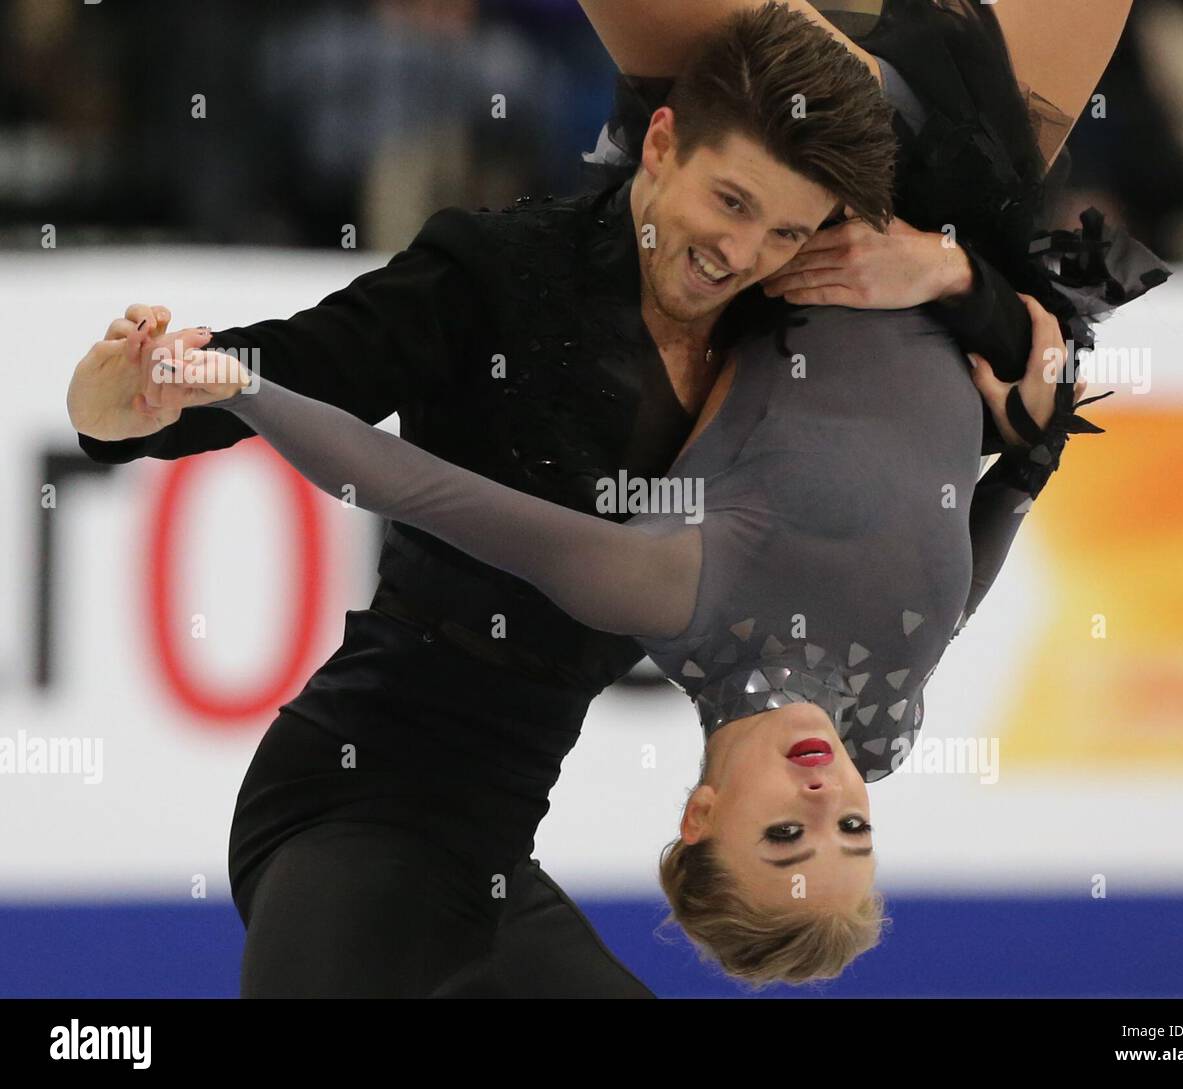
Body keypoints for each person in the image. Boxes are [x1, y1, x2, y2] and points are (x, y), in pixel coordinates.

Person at [66, 3, 913, 997]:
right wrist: (128, 392)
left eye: (784, 232)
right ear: (662, 143)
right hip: (354, 801)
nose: (742, 253)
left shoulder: (778, 342)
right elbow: (272, 373)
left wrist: (962, 284)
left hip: (493, 853)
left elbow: (974, 168)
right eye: (729, 203)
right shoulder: (500, 277)